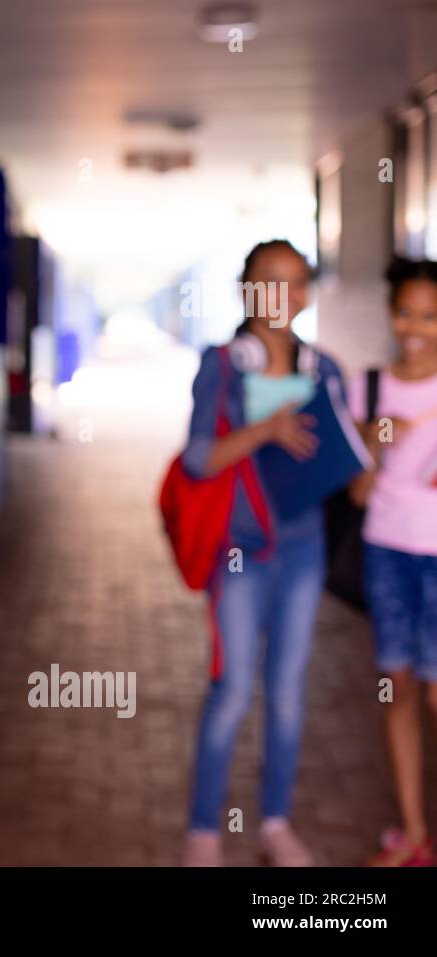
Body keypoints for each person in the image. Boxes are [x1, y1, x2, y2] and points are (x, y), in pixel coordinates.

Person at [180, 239, 346, 866]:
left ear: (305, 293)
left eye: (295, 282)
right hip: (241, 553)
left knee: (288, 692)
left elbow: (346, 466)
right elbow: (199, 459)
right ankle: (203, 831)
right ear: (247, 291)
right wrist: (265, 431)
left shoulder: (326, 370)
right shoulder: (222, 365)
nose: (283, 295)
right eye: (268, 281)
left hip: (304, 549)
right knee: (231, 689)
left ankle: (275, 823)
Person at [347, 257, 437, 867]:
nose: (416, 327)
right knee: (396, 689)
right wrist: (375, 445)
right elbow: (354, 494)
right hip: (384, 552)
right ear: (390, 312)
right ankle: (413, 835)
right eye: (406, 312)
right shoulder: (369, 386)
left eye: (431, 316)